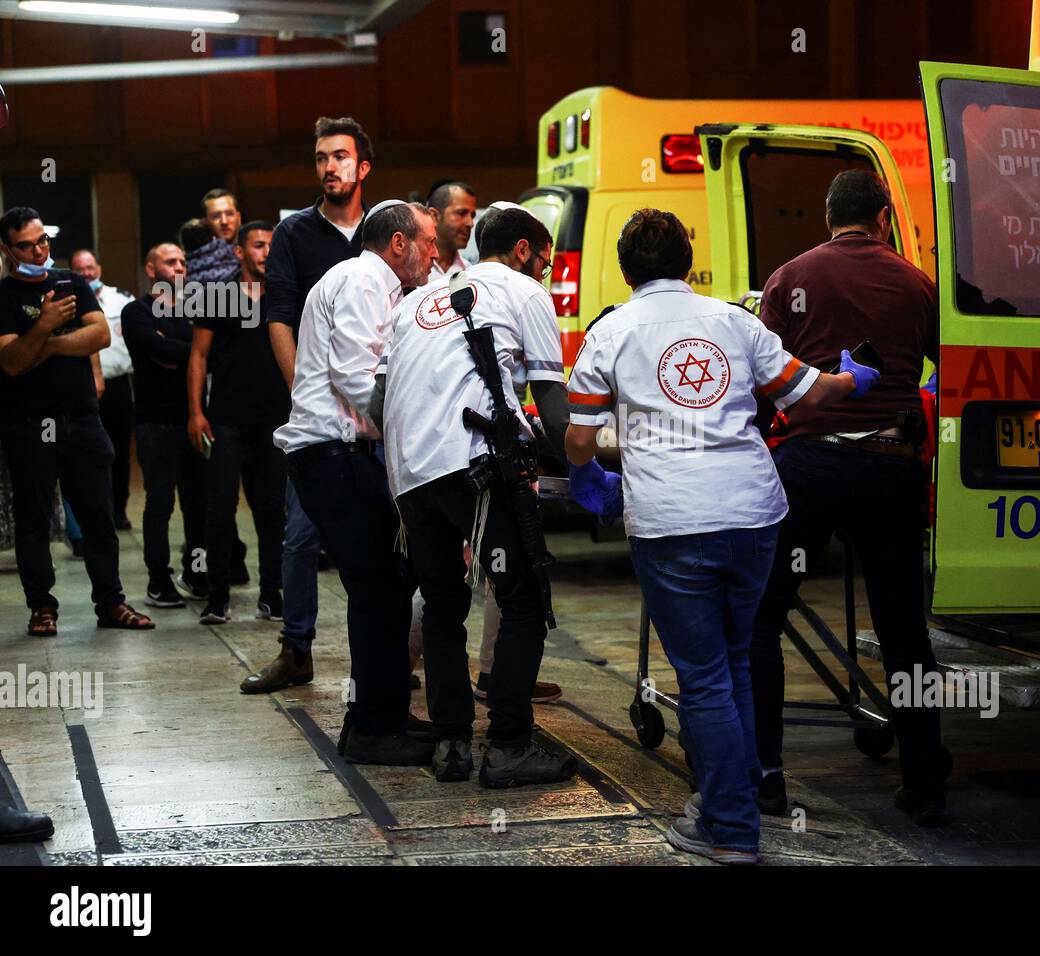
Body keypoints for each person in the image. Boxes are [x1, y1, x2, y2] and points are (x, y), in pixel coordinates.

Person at [564, 208, 877, 863]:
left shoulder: (611, 331)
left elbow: (579, 434)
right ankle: (723, 802)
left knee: (704, 676)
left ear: (625, 270)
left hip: (672, 520)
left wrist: (586, 476)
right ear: (687, 260)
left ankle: (731, 830)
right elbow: (809, 396)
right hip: (754, 514)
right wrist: (854, 378)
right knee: (733, 666)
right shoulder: (737, 321)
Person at [749, 169, 951, 826]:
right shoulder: (919, 285)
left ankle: (766, 778)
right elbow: (948, 368)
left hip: (808, 467)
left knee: (762, 616)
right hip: (891, 467)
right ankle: (925, 780)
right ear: (886, 219)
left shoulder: (788, 278)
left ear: (828, 216)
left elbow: (765, 377)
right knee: (902, 629)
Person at [381, 208, 577, 788]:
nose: (543, 271)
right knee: (522, 599)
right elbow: (552, 397)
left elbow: (379, 397)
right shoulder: (523, 292)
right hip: (476, 468)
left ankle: (452, 746)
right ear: (523, 251)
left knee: (443, 603)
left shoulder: (416, 301)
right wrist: (587, 468)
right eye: (542, 260)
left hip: (409, 475)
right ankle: (510, 745)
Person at [273, 200, 437, 765]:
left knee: (388, 589)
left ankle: (386, 715)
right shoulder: (365, 279)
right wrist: (414, 423)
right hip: (335, 454)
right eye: (429, 242)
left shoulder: (374, 282)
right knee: (375, 590)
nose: (436, 254)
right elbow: (356, 376)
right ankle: (372, 729)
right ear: (399, 243)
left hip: (348, 454)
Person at [245, 115, 373, 694]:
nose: (329, 167)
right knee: (300, 536)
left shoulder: (383, 229)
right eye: (321, 157)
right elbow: (278, 317)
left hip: (380, 413)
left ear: (363, 166)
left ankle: (395, 650)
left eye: (340, 156)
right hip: (316, 417)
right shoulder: (295, 233)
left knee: (385, 533)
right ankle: (296, 649)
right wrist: (306, 395)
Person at [0, 206, 154, 635]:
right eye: (26, 244)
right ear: (8, 249)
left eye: (42, 240)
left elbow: (100, 335)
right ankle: (42, 607)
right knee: (33, 522)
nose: (38, 249)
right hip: (28, 424)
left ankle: (111, 603)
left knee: (98, 517)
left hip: (82, 418)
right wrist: (47, 324)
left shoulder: (71, 281)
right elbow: (11, 363)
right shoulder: (4, 297)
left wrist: (45, 344)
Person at [188, 221, 288, 625]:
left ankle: (272, 594)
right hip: (225, 420)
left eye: (271, 245)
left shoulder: (284, 294)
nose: (266, 252)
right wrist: (196, 412)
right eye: (258, 245)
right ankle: (217, 596)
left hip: (275, 422)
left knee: (270, 512)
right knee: (219, 512)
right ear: (240, 252)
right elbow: (198, 356)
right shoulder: (219, 296)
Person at [121, 243, 207, 608]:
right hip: (156, 423)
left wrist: (183, 352)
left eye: (184, 262)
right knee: (160, 504)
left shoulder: (197, 310)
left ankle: (198, 573)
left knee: (198, 505)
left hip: (195, 419)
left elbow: (205, 354)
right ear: (151, 268)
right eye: (171, 262)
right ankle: (159, 581)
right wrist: (195, 355)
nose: (180, 268)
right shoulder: (136, 312)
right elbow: (158, 354)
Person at [70, 249, 134, 530]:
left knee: (119, 452)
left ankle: (118, 509)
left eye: (90, 267)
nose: (87, 274)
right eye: (80, 269)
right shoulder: (68, 302)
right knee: (90, 454)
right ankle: (96, 516)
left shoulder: (122, 299)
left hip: (120, 387)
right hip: (84, 388)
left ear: (99, 267)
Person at [187, 189, 241, 283]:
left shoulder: (253, 255)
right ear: (205, 222)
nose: (224, 221)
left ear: (239, 218)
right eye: (216, 216)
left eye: (229, 214)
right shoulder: (189, 263)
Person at [424, 180, 476, 277]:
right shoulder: (409, 270)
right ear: (434, 216)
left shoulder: (470, 273)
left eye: (472, 216)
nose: (470, 223)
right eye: (461, 213)